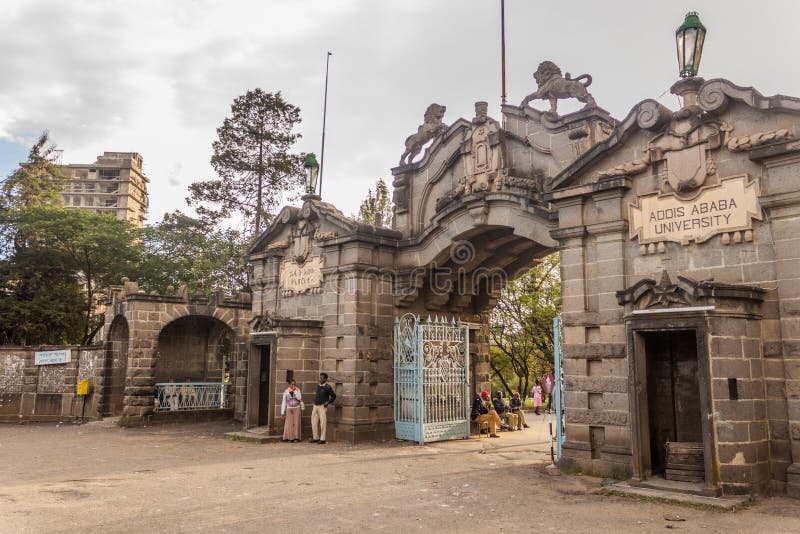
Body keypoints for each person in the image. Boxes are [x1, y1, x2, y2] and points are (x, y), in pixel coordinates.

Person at [310, 373, 336, 444]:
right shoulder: (318, 385)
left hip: (322, 407)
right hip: (315, 406)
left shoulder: (328, 387)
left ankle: (322, 439)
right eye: (320, 377)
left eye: (322, 378)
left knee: (323, 423)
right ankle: (315, 438)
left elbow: (334, 396)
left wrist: (328, 402)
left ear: (325, 379)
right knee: (314, 422)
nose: (320, 379)